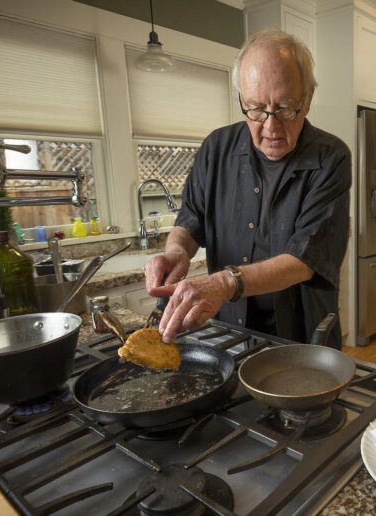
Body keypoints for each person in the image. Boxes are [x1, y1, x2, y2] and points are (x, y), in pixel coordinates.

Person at [143, 29, 351, 350]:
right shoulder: (216, 147)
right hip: (227, 331)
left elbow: (304, 258)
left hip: (299, 338)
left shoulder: (331, 158)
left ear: (307, 99)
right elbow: (190, 221)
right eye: (255, 108)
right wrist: (176, 252)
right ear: (241, 99)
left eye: (285, 108)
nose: (271, 127)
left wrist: (226, 282)